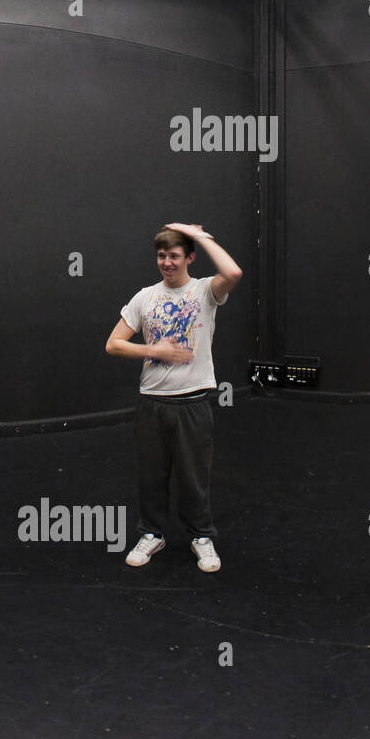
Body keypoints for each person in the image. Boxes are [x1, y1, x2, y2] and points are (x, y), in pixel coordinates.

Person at [106, 224, 243, 572]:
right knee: (152, 475)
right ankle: (152, 533)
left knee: (194, 476)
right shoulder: (145, 297)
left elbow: (233, 271)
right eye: (162, 256)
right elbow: (114, 344)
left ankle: (201, 536)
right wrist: (155, 350)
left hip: (193, 402)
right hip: (152, 401)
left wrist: (197, 234)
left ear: (190, 257)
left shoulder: (205, 292)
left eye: (175, 256)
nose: (167, 262)